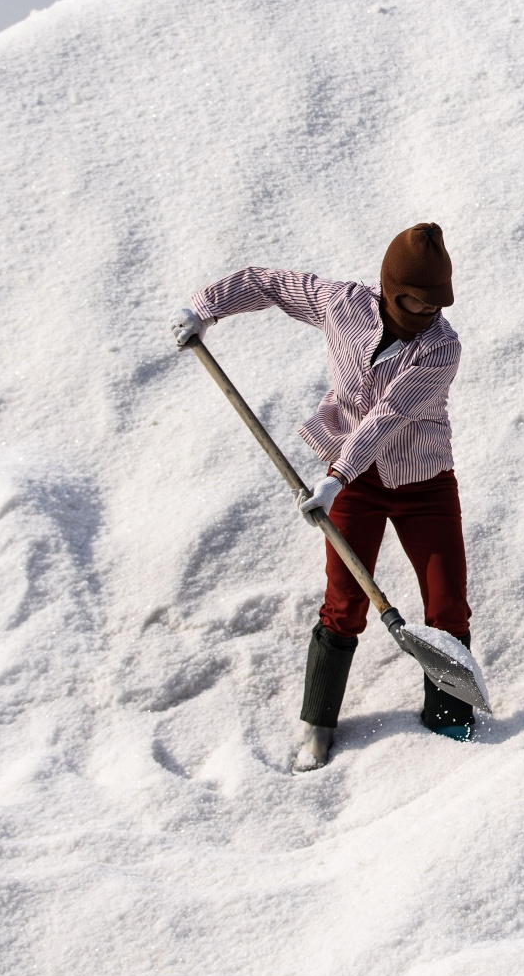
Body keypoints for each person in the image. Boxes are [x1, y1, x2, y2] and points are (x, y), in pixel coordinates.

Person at [169, 223, 474, 772]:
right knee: (343, 603)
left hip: (423, 482)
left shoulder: (441, 347)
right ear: (389, 287)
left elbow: (388, 418)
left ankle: (451, 715)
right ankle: (318, 725)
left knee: (446, 601)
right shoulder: (343, 305)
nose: (426, 315)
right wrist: (205, 309)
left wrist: (333, 478)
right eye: (415, 302)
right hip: (355, 487)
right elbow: (270, 284)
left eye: (436, 306)